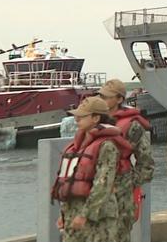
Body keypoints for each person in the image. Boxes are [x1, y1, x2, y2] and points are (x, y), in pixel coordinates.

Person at [51, 96, 132, 241]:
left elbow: (103, 184)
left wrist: (85, 215)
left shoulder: (107, 146)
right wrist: (64, 215)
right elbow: (69, 182)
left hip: (98, 218)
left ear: (96, 118)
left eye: (82, 116)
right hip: (73, 215)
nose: (77, 118)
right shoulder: (76, 146)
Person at [98, 78, 155, 234]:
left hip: (121, 190)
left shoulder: (132, 126)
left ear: (119, 99)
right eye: (100, 96)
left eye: (106, 97)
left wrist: (129, 184)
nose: (102, 100)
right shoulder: (95, 122)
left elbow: (146, 163)